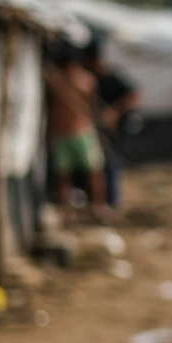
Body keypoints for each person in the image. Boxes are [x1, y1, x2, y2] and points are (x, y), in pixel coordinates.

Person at [43, 45, 108, 221]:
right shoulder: (55, 80)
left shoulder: (86, 81)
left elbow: (91, 106)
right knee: (64, 175)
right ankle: (67, 208)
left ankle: (98, 205)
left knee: (94, 171)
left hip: (83, 132)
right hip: (61, 134)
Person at [81, 38, 140, 210]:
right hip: (94, 128)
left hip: (112, 131)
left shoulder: (110, 77)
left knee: (111, 162)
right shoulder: (89, 77)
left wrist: (114, 112)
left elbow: (134, 96)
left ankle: (112, 201)